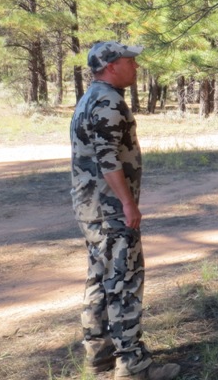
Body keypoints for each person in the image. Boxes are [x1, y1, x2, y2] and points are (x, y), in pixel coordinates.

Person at [69, 41, 180, 380]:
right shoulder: (108, 102)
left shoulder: (90, 98)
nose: (135, 67)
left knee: (100, 280)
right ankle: (133, 365)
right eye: (130, 61)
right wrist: (128, 204)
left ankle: (99, 355)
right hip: (111, 210)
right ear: (111, 65)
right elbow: (108, 160)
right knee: (124, 282)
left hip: (93, 209)